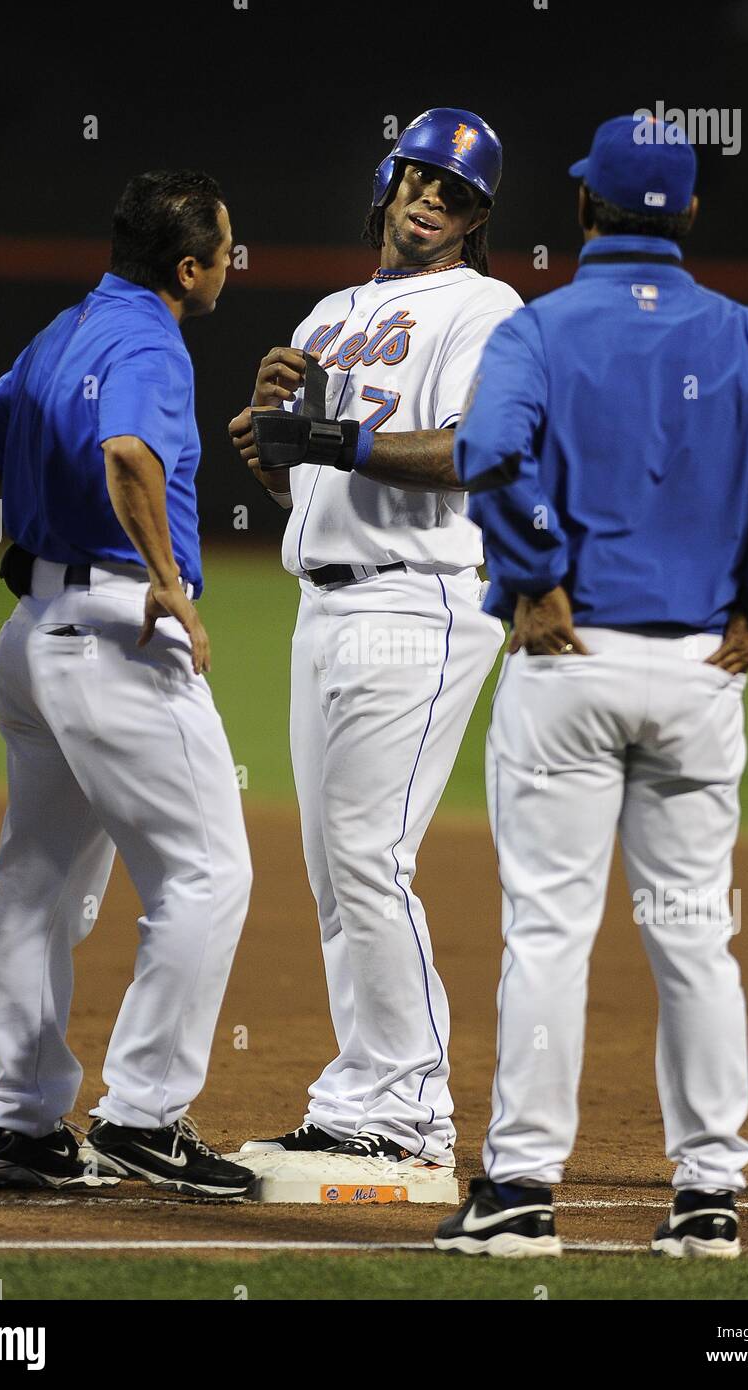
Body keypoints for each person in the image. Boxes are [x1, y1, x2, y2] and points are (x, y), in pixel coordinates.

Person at [433, 115, 748, 1256]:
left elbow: (488, 456)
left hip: (563, 668)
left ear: (584, 209)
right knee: (692, 935)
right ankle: (709, 1198)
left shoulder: (539, 328)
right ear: (687, 215)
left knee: (547, 933)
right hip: (695, 673)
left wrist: (537, 568)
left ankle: (522, 1195)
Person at [228, 109, 520, 1188]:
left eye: (458, 191)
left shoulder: (484, 305)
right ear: (387, 182)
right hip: (330, 602)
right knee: (334, 868)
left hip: (419, 601)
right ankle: (366, 1095)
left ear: (478, 217)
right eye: (420, 176)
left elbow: (472, 450)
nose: (433, 198)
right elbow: (308, 483)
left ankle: (407, 1115)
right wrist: (273, 444)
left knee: (367, 855)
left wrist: (333, 436)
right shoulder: (332, 311)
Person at [0, 170, 257, 1198]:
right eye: (225, 248)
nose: (231, 262)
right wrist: (163, 582)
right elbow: (129, 450)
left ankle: (28, 1125)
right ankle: (142, 1113)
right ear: (187, 267)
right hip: (115, 633)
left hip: (33, 630)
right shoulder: (147, 340)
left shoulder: (68, 324)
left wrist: (55, 529)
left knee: (36, 886)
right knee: (208, 873)